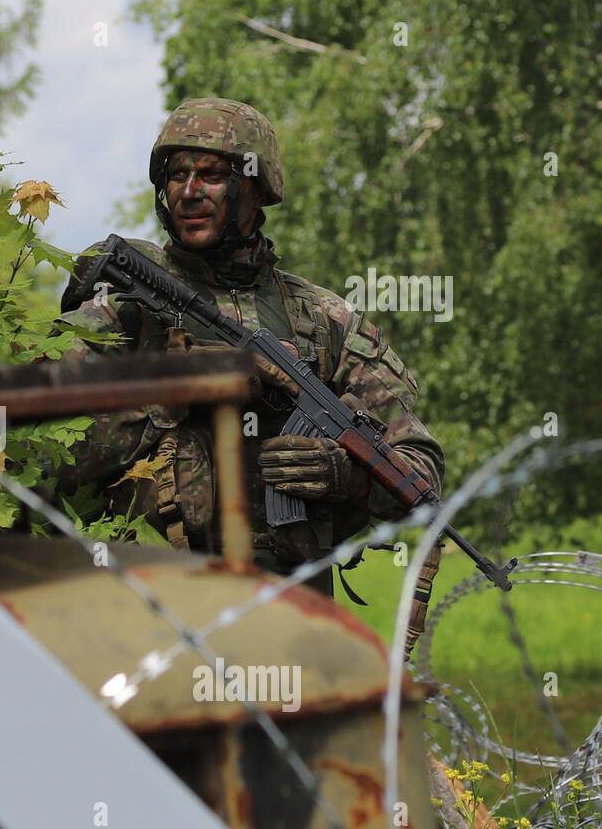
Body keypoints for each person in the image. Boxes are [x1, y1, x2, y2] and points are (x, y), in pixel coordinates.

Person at [55, 98, 443, 599]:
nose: (189, 192)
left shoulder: (324, 321)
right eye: (177, 175)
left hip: (292, 612)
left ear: (256, 190)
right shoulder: (122, 313)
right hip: (152, 602)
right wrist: (172, 397)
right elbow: (38, 457)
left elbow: (422, 477)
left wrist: (349, 475)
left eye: (212, 176)